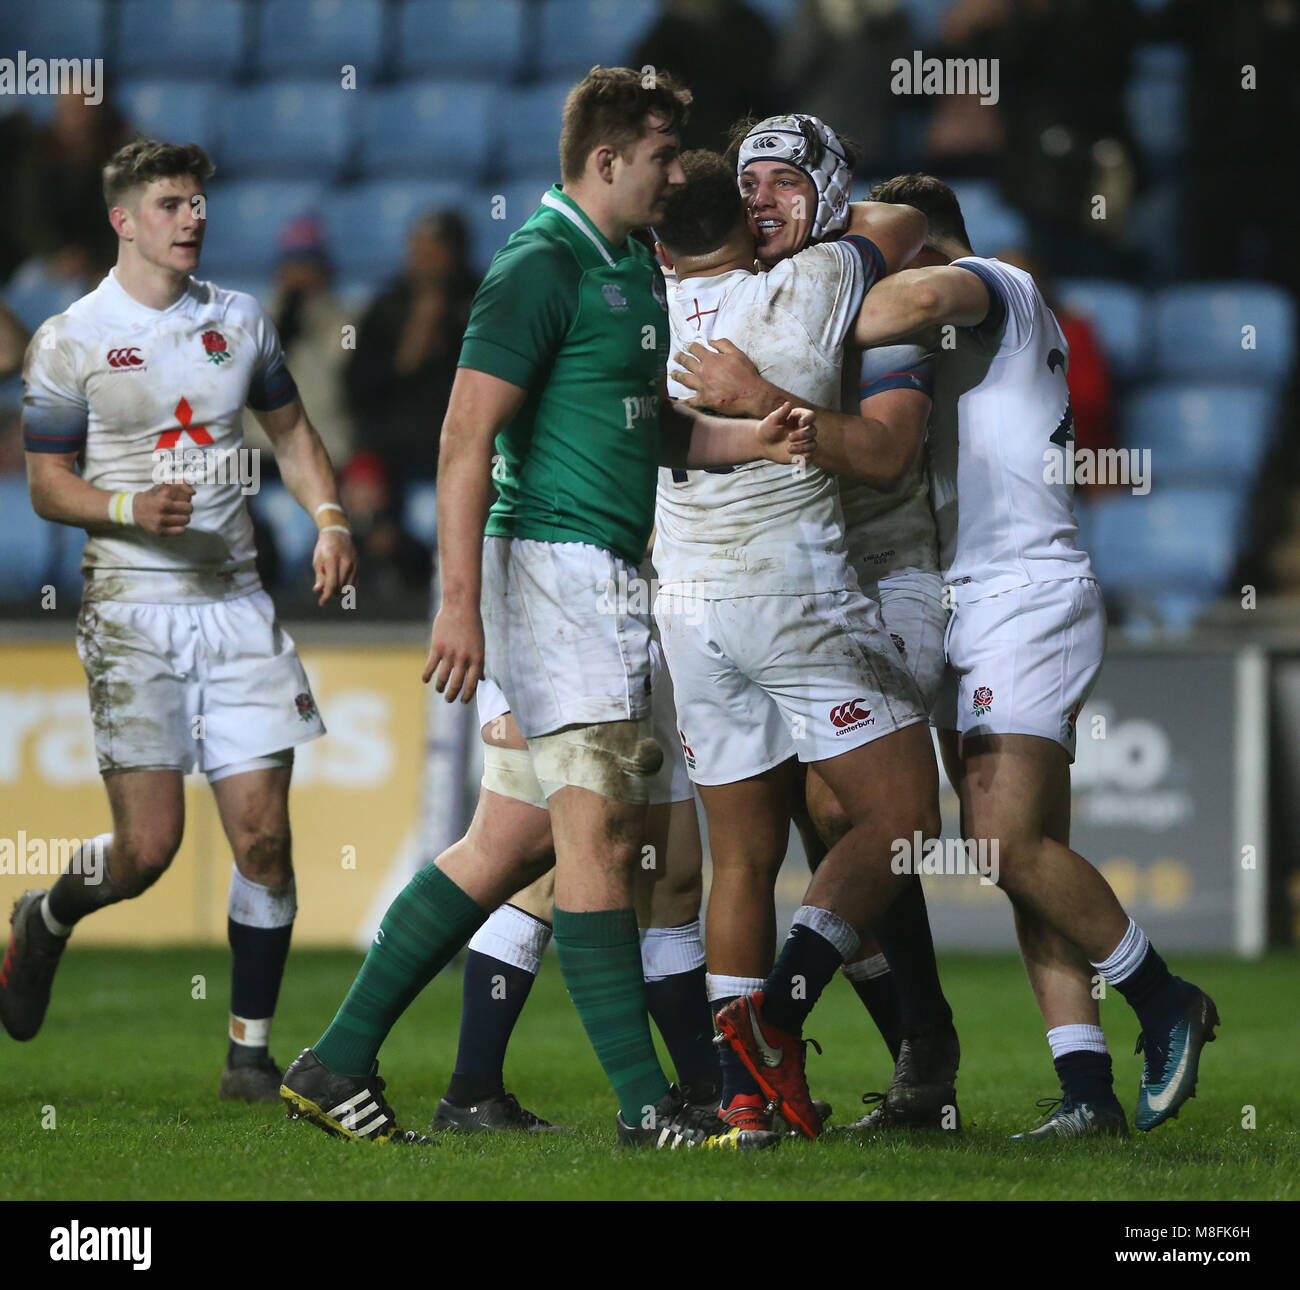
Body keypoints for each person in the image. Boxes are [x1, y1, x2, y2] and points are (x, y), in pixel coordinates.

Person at [278, 67, 812, 1147]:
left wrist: (748, 438)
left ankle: (334, 1061)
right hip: (562, 572)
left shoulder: (627, 263)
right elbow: (462, 439)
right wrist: (458, 605)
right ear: (606, 159)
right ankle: (645, 1107)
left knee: (507, 842)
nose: (677, 175)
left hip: (590, 569)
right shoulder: (539, 263)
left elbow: (648, 430)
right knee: (602, 840)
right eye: (662, 156)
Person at [823, 172, 1219, 1136]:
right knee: (1032, 857)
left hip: (1023, 592)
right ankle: (1086, 1093)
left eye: (880, 244)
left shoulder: (987, 280)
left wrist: (806, 296)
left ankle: (1165, 1000)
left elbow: (913, 296)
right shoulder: (959, 334)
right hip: (978, 598)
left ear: (921, 235)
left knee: (1002, 844)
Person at [5, 138, 357, 1103]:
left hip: (238, 605)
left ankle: (248, 1055)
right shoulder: (70, 337)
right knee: (146, 853)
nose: (193, 217)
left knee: (266, 841)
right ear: (124, 219)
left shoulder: (239, 321)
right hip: (130, 609)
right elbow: (43, 482)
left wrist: (329, 520)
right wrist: (126, 509)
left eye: (198, 202)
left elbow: (290, 432)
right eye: (171, 204)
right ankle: (47, 914)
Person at [674, 114, 960, 1131]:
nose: (761, 200)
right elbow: (897, 216)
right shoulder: (828, 280)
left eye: (784, 183)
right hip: (792, 592)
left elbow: (885, 455)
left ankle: (757, 1093)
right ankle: (800, 1040)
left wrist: (749, 398)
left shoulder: (868, 308)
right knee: (877, 818)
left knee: (800, 832)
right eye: (745, 185)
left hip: (842, 580)